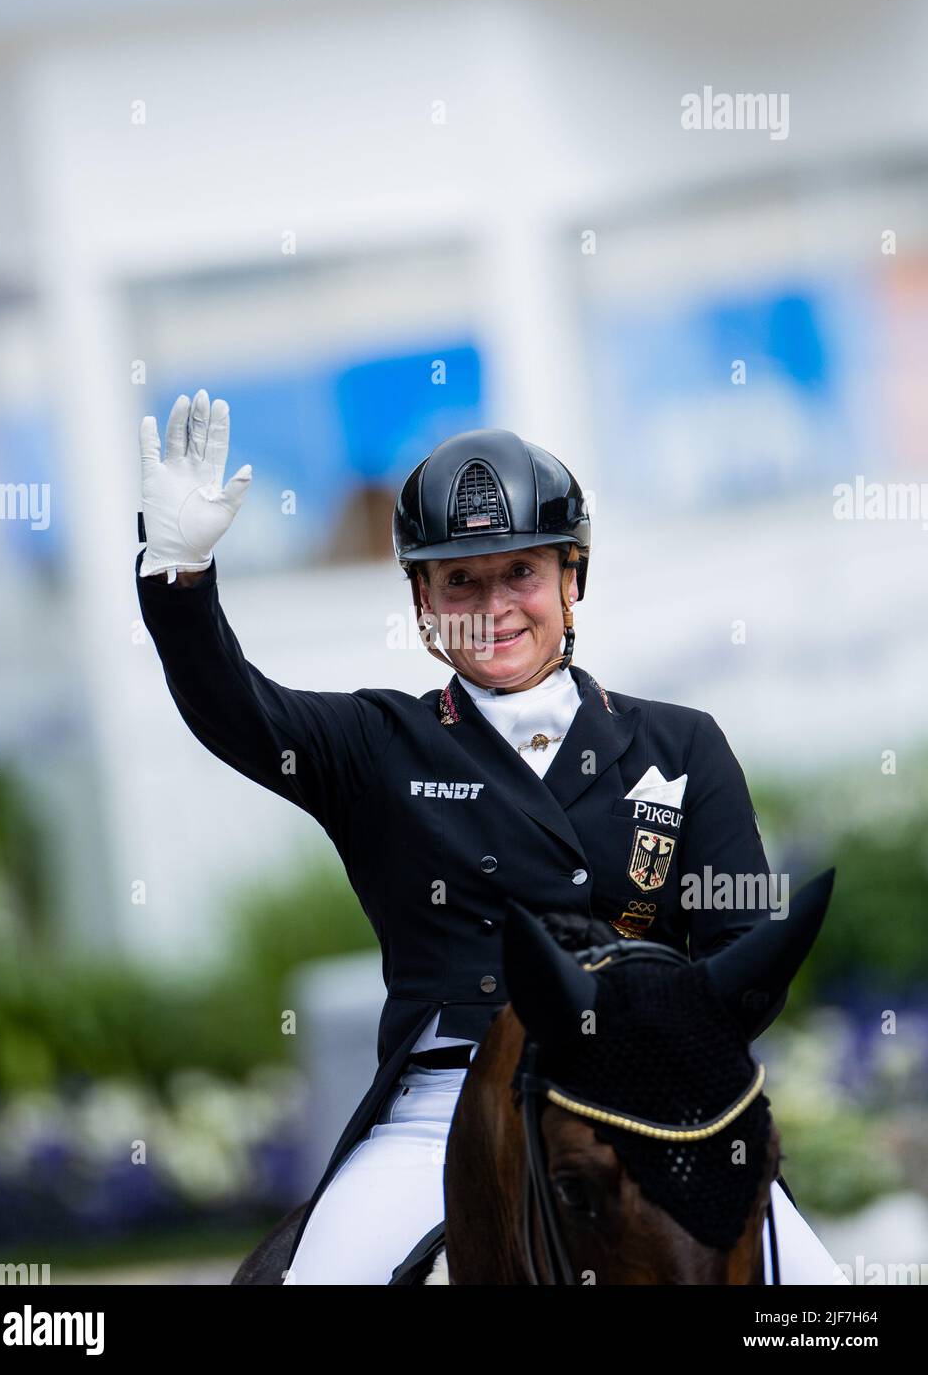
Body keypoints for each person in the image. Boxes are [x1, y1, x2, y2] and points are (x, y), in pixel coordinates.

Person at [135, 389, 848, 1286]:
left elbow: (744, 949)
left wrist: (656, 1047)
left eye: (520, 573)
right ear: (422, 600)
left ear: (570, 578)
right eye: (459, 580)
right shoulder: (374, 745)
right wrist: (178, 575)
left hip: (650, 1105)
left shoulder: (680, 743)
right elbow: (234, 707)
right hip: (445, 1109)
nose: (493, 606)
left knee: (829, 1305)